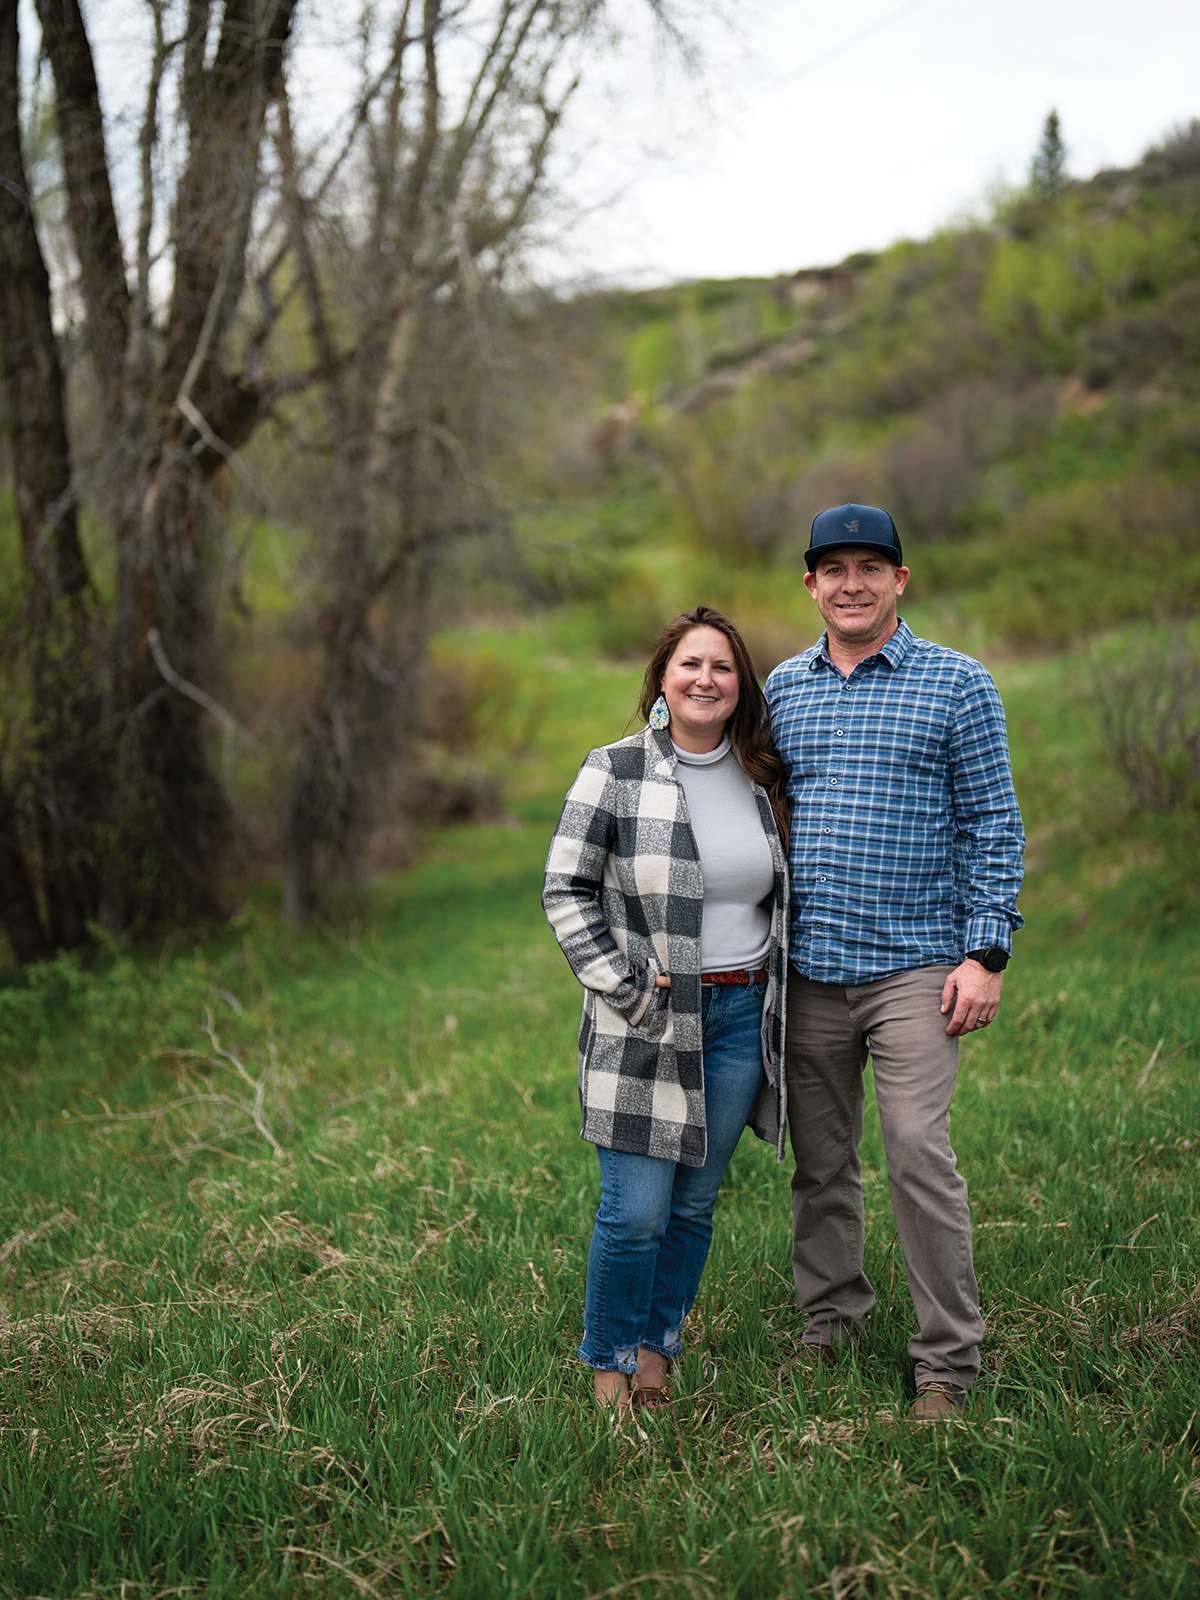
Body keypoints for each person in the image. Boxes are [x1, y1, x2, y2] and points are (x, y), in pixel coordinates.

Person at [764, 504, 1025, 1423]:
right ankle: (829, 1323)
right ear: (810, 585)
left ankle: (947, 1362)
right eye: (833, 568)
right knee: (821, 1163)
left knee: (917, 1150)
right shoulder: (782, 689)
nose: (852, 583)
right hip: (809, 970)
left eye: (870, 567)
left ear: (900, 581)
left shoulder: (958, 684)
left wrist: (985, 950)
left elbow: (993, 821)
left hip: (917, 966)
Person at [543, 606, 791, 1422]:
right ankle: (608, 1369)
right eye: (690, 664)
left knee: (692, 1205)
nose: (705, 680)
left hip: (738, 1016)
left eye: (722, 667)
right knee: (637, 1210)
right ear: (662, 678)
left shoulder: (762, 773)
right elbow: (566, 888)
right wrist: (621, 981)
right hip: (644, 1021)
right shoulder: (616, 768)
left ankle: (657, 1356)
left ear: (738, 683)